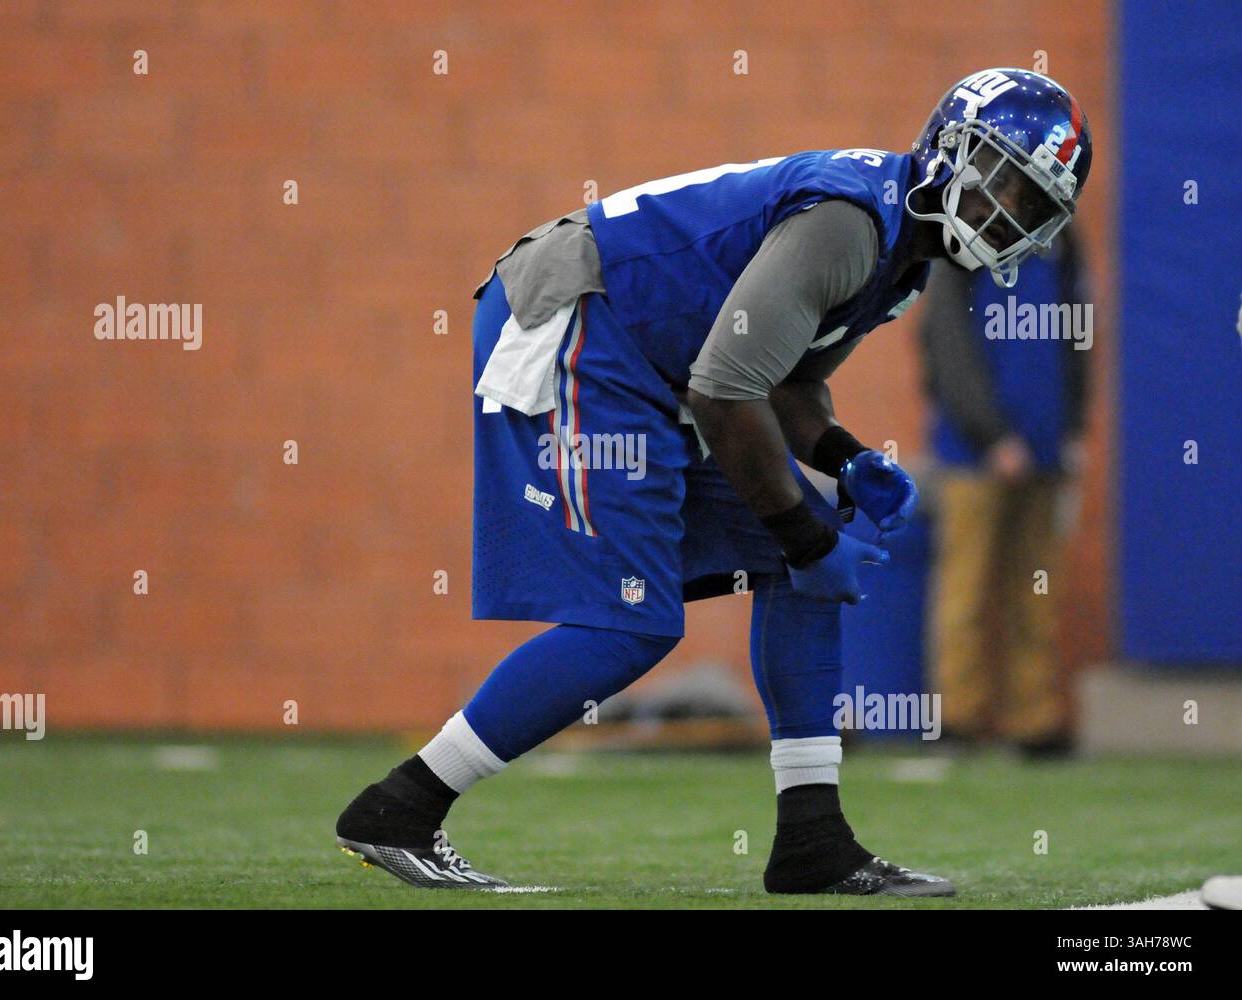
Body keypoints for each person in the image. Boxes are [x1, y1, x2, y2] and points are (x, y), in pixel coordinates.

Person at [336, 68, 1093, 894]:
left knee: (797, 570)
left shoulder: (903, 253)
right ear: (950, 149)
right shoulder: (849, 223)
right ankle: (401, 807)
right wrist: (808, 536)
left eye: (1031, 202)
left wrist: (845, 457)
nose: (1008, 211)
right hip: (581, 315)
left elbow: (784, 380)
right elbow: (725, 390)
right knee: (633, 619)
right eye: (1002, 180)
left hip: (647, 355)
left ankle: (813, 841)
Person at [921, 227, 1091, 758]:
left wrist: (1073, 426)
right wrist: (991, 436)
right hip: (974, 455)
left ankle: (1033, 720)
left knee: (1037, 591)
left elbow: (1077, 331)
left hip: (1047, 448)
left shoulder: (1063, 239)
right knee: (966, 587)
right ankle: (957, 719)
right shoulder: (963, 238)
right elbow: (946, 343)